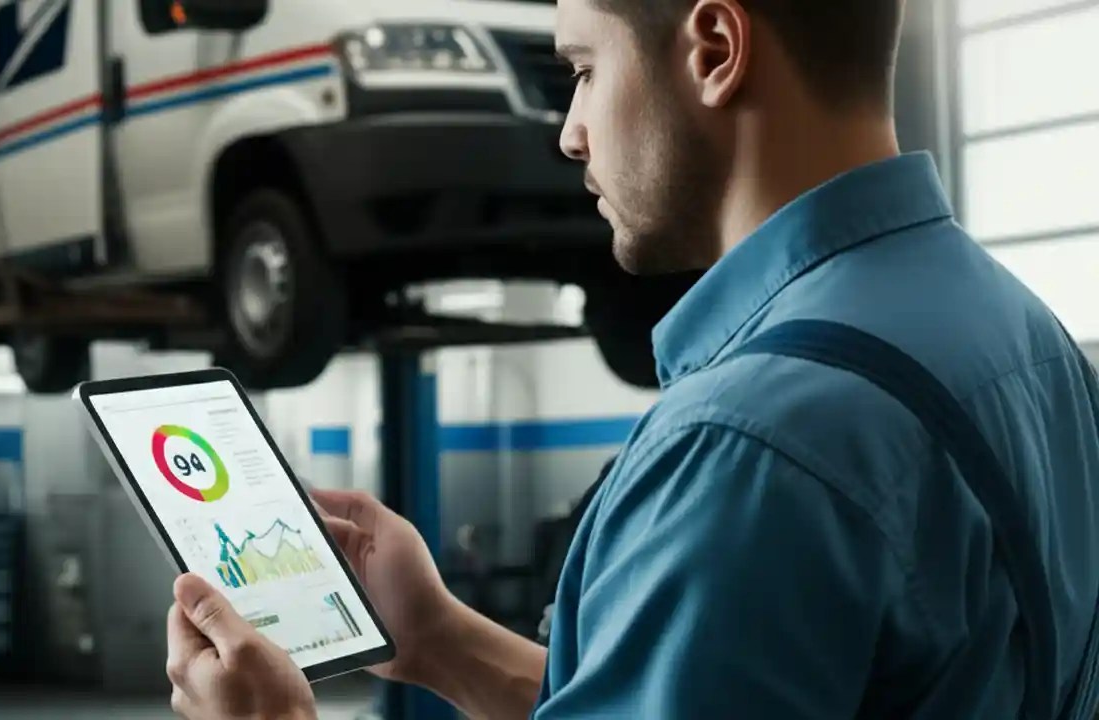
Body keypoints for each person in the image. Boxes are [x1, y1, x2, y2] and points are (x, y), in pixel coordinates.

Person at [164, 0, 1099, 717]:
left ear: (714, 52)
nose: (571, 131)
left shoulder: (750, 443)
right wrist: (443, 642)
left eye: (582, 69)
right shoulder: (1025, 339)